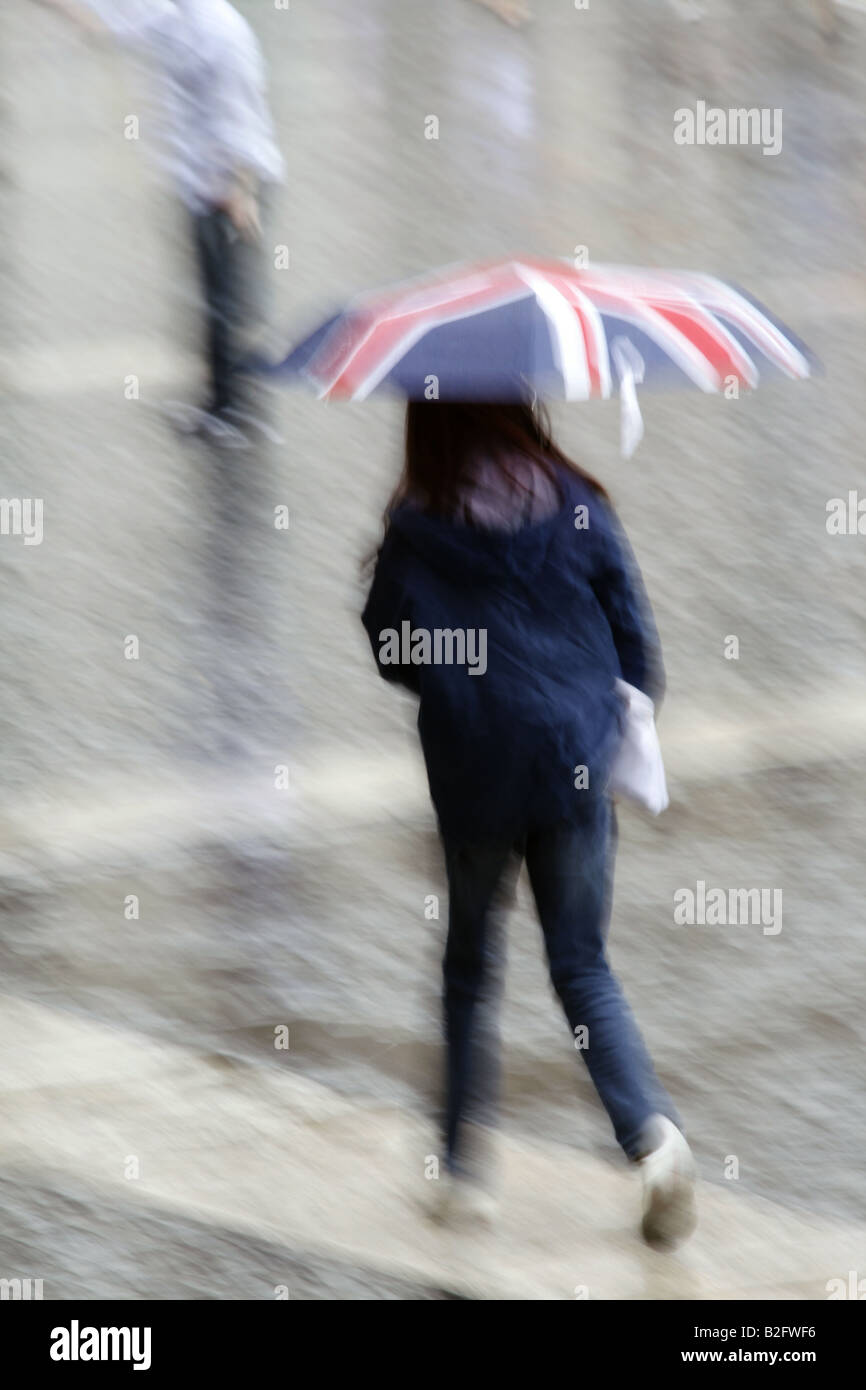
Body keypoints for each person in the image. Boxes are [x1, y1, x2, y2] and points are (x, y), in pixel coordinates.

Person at [362, 399, 697, 1249]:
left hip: (475, 773)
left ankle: (465, 1180)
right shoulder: (579, 500)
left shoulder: (418, 516)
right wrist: (599, 721)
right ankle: (654, 1141)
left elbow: (392, 651)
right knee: (583, 968)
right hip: (571, 764)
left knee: (470, 967)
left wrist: (459, 673)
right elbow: (638, 647)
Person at [39, 0, 284, 444]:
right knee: (212, 298)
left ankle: (237, 412)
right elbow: (107, 24)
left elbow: (241, 119)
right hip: (197, 182)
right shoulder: (171, 14)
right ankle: (220, 402)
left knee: (228, 301)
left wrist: (241, 191)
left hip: (231, 186)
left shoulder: (224, 33)